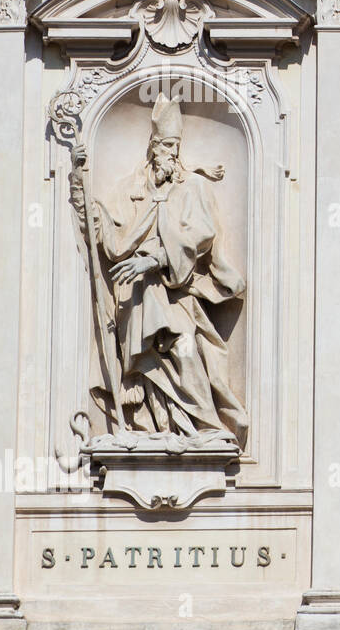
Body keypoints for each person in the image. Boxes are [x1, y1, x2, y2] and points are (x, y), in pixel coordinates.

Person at [68, 93, 247, 445]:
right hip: (135, 297)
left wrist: (155, 259)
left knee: (185, 347)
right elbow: (106, 234)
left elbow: (202, 234)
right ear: (152, 148)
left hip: (177, 292)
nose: (170, 154)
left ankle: (205, 426)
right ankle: (152, 428)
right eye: (164, 145)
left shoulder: (192, 187)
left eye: (174, 146)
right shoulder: (132, 192)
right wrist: (77, 177)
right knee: (148, 361)